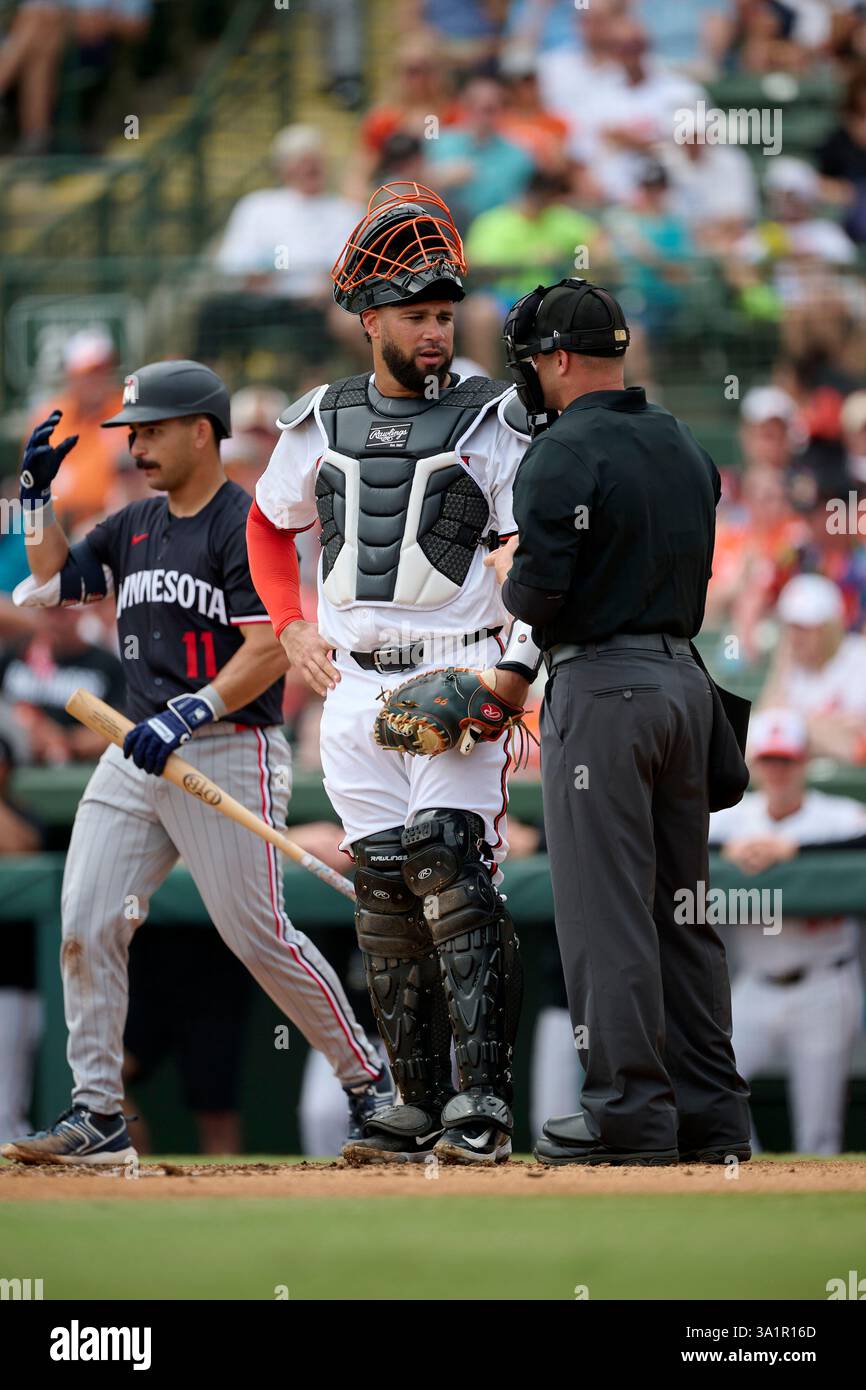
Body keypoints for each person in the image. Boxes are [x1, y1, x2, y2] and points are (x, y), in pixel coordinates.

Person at [0, 359, 389, 1167]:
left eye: (152, 429)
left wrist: (192, 708)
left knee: (258, 935)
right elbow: (51, 580)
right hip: (138, 747)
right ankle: (98, 1114)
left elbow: (271, 650)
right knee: (84, 921)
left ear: (201, 430)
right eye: (131, 431)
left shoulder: (242, 524)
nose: (136, 443)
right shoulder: (132, 523)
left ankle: (369, 1086)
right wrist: (32, 504)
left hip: (227, 744)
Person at [246, 182, 532, 1166]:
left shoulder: (494, 414)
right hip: (352, 681)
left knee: (451, 873)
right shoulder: (317, 418)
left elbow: (520, 546)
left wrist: (513, 668)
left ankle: (483, 1101)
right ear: (370, 318)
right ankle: (413, 1104)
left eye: (445, 313)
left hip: (457, 664)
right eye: (417, 313)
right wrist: (287, 628)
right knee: (381, 898)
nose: (435, 330)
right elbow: (266, 522)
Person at [491, 276, 752, 1164]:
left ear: (559, 360)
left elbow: (540, 595)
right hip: (687, 684)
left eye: (532, 358)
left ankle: (628, 1115)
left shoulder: (562, 450)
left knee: (608, 916)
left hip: (605, 690)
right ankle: (713, 1117)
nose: (529, 373)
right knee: (682, 910)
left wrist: (503, 569)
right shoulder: (680, 438)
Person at [709, 708, 866, 1154]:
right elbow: (674, 836)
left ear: (804, 764)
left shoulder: (835, 814)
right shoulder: (735, 818)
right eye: (770, 761)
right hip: (756, 984)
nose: (778, 772)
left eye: (788, 761)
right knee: (714, 1080)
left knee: (819, 1132)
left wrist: (795, 849)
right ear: (755, 765)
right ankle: (752, 1177)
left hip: (824, 981)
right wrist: (727, 848)